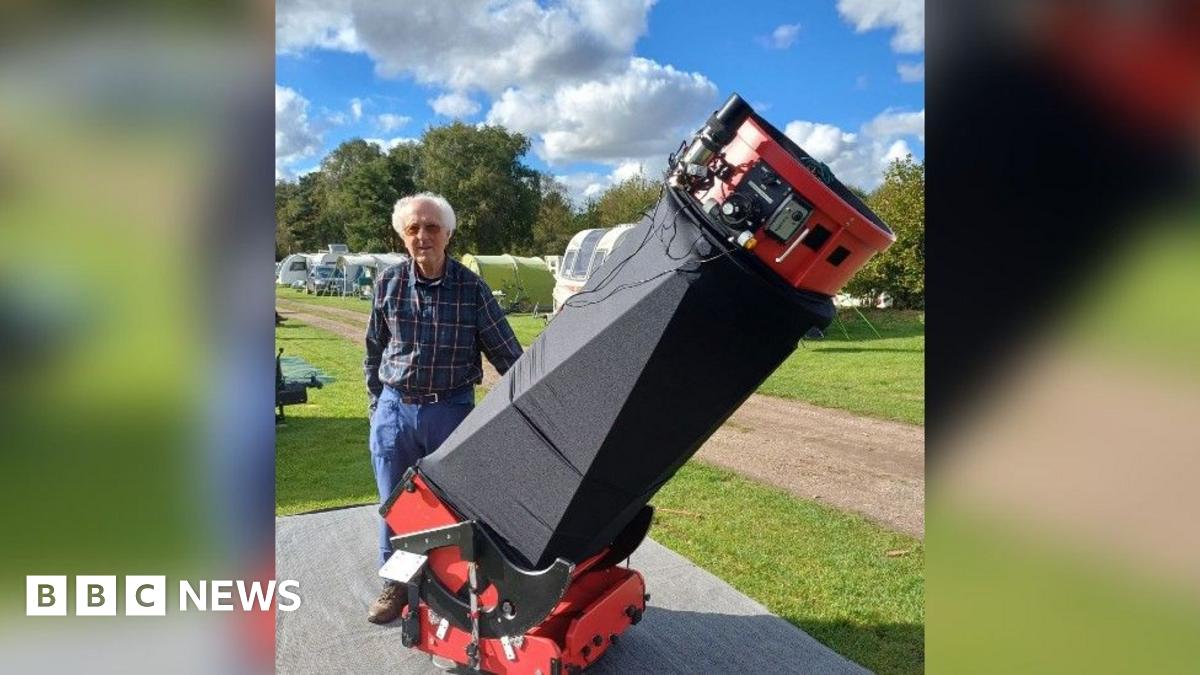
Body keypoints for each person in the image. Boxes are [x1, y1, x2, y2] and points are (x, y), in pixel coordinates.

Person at [363, 192, 523, 624]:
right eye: (413, 228)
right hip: (395, 413)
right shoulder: (388, 284)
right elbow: (374, 352)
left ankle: (452, 591)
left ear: (449, 234)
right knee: (393, 505)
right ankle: (395, 586)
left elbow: (509, 356)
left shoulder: (472, 290)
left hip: (450, 413)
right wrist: (378, 407)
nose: (422, 236)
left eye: (432, 227)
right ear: (402, 236)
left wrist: (534, 403)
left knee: (453, 509)